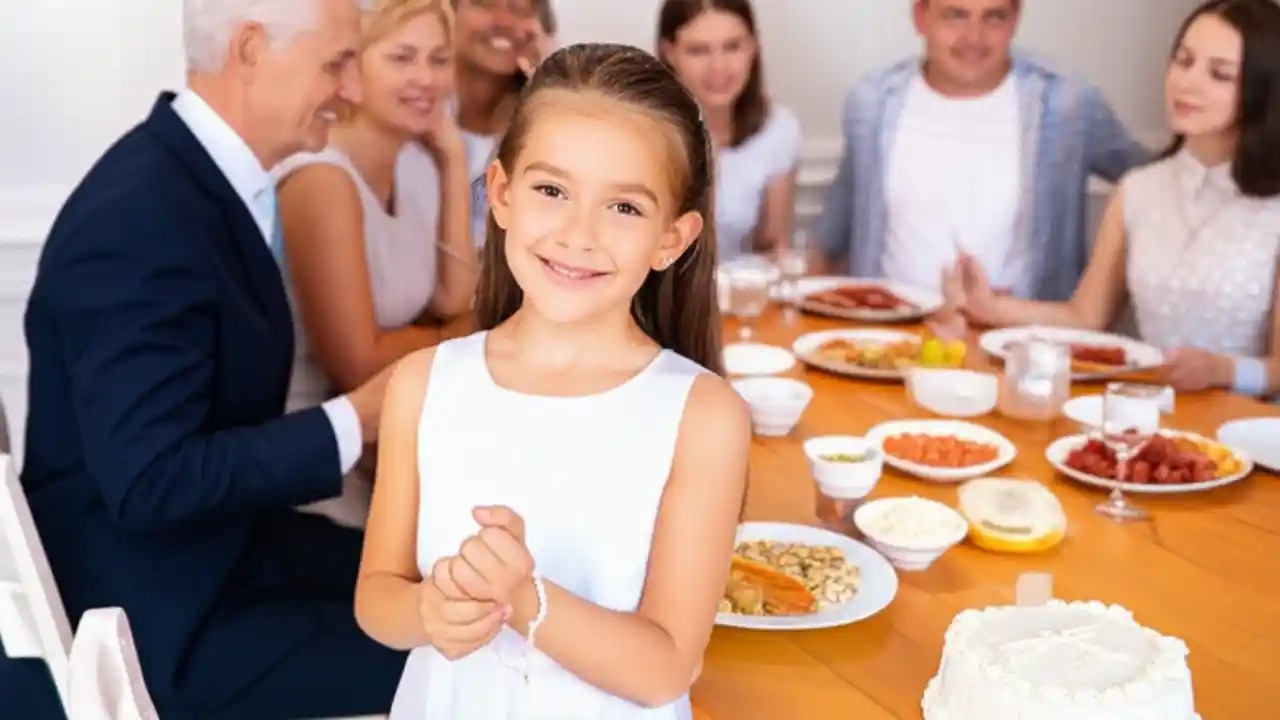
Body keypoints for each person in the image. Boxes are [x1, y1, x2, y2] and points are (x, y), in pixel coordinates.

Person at [7, 1, 408, 717]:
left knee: (441, 590)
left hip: (220, 557)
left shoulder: (196, 182)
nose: (352, 91)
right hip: (158, 620)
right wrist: (362, 417)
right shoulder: (142, 217)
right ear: (250, 49)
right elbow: (152, 481)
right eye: (336, 63)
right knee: (459, 654)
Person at [354, 43, 751, 718]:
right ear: (502, 193)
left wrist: (525, 598)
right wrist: (429, 609)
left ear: (672, 239)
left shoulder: (702, 415)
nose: (578, 233)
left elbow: (667, 667)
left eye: (623, 208)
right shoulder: (424, 384)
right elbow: (375, 599)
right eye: (552, 191)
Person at [946, 0, 1280, 396]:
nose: (1187, 83)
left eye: (1219, 74)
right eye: (1183, 61)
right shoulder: (1139, 189)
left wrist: (1220, 370)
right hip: (1149, 414)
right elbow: (1085, 316)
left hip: (1250, 432)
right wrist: (991, 308)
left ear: (1262, 90)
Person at [275, 0, 479, 529]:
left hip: (398, 452)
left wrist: (454, 159)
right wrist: (455, 335)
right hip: (321, 483)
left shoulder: (418, 162)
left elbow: (457, 301)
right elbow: (359, 364)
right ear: (351, 69)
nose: (426, 78)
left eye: (439, 59)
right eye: (402, 58)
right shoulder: (320, 179)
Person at [816, 0, 1151, 301]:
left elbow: (1155, 183)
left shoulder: (1066, 103)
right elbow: (834, 232)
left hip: (1020, 343)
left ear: (1016, 18)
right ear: (921, 16)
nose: (973, 38)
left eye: (994, 18)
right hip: (890, 336)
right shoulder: (873, 102)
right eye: (956, 16)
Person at [658, 0, 802, 260]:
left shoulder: (778, 129)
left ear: (753, 47)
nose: (718, 68)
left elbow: (772, 247)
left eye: (732, 47)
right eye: (698, 50)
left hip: (741, 293)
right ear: (670, 52)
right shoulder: (643, 132)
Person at [452, 0, 556, 245]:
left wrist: (550, 81)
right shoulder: (407, 120)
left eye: (520, 8)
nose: (503, 21)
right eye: (484, 3)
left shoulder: (544, 131)